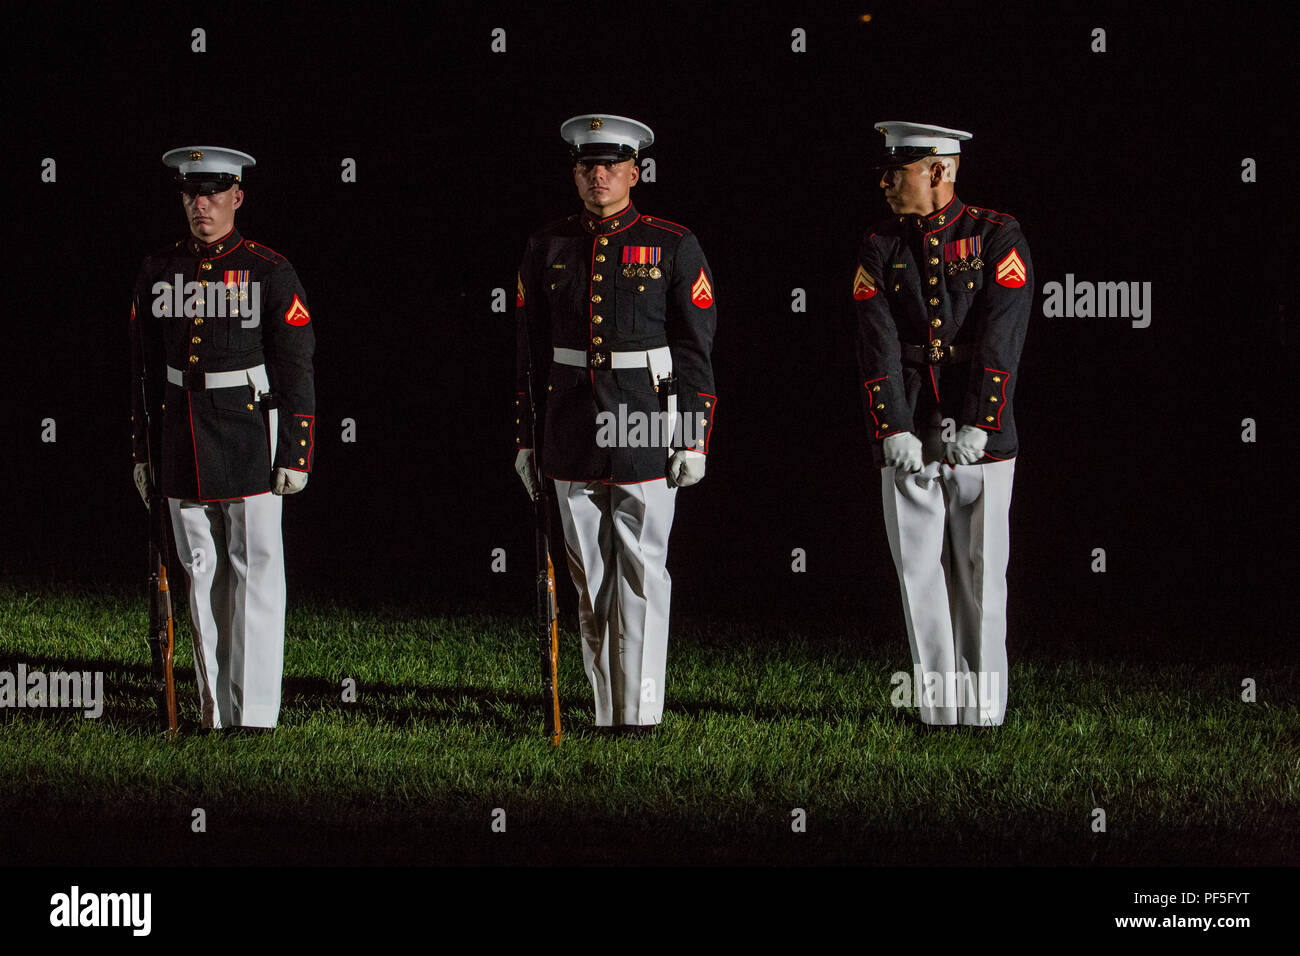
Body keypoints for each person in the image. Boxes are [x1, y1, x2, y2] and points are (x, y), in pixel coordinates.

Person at [514, 114, 718, 734]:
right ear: (575, 172)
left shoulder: (672, 244)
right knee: (588, 576)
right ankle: (607, 711)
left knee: (642, 568)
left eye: (610, 165)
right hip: (570, 422)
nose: (598, 175)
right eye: (586, 165)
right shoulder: (547, 246)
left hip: (644, 418)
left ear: (636, 171)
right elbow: (527, 352)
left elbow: (694, 348)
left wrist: (692, 433)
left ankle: (642, 709)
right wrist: (526, 440)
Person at [130, 146, 316, 731]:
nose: (201, 204)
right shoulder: (158, 269)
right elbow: (139, 368)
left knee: (255, 568)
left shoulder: (267, 269)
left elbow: (296, 366)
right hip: (181, 427)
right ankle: (215, 709)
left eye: (213, 193)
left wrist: (297, 450)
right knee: (200, 568)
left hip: (248, 428)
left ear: (238, 196)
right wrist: (142, 450)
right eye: (191, 194)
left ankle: (255, 712)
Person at [853, 122, 1032, 727]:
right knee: (918, 574)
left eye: (897, 170)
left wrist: (983, 418)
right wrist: (892, 427)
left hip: (982, 430)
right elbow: (875, 343)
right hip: (911, 425)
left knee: (981, 573)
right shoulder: (880, 244)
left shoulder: (995, 235)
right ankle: (937, 707)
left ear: (940, 171)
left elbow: (1002, 336)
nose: (885, 181)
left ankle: (982, 710)